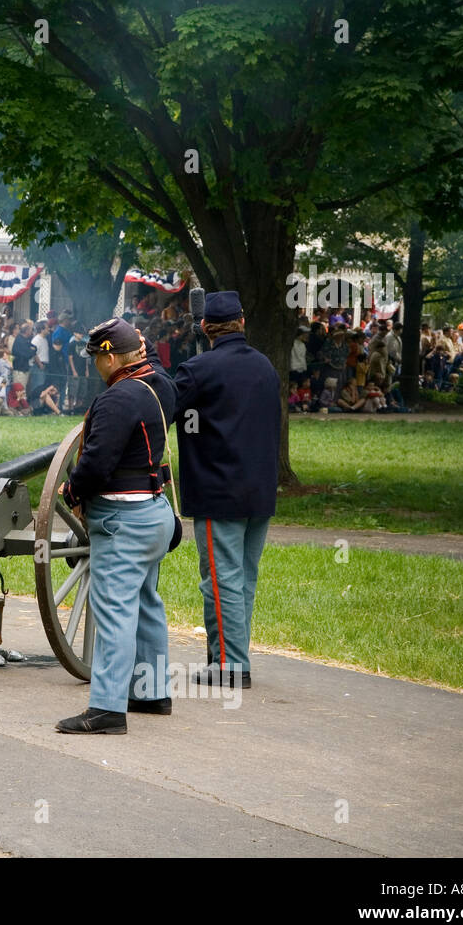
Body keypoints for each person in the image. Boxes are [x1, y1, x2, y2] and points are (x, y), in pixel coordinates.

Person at [55, 318, 177, 734]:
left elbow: (95, 465)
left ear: (108, 357)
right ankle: (152, 691)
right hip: (155, 513)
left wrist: (71, 492)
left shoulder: (115, 400)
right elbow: (157, 367)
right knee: (146, 603)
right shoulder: (160, 387)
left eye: (97, 358)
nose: (95, 366)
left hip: (124, 519)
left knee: (114, 612)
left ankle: (107, 709)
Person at [172, 291, 280, 690]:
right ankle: (230, 658)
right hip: (260, 491)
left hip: (221, 492)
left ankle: (232, 666)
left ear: (204, 327)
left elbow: (164, 409)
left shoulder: (197, 369)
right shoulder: (266, 367)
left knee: (221, 582)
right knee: (243, 580)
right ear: (243, 321)